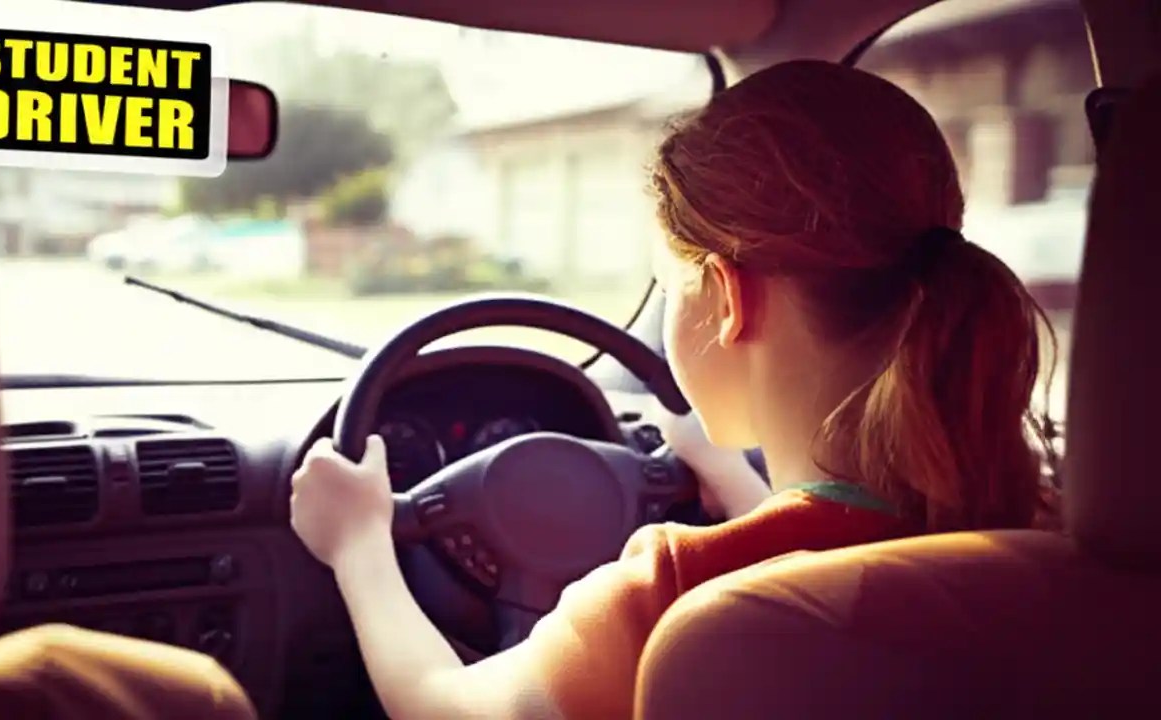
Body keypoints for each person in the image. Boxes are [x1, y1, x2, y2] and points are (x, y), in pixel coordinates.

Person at [288, 59, 1059, 720]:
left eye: (669, 287)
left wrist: (358, 543)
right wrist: (727, 474)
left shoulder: (681, 597)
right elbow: (846, 571)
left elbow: (442, 705)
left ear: (728, 298)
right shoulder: (1048, 531)